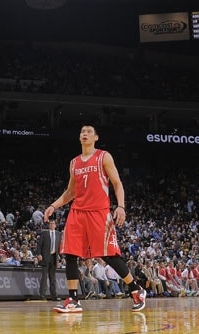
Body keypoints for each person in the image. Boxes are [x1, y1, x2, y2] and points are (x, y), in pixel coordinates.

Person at [43, 125, 147, 314]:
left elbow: (117, 183)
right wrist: (53, 206)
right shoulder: (74, 163)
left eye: (89, 132)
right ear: (79, 137)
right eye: (82, 131)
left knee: (109, 255)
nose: (85, 133)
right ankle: (73, 299)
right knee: (70, 253)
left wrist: (121, 206)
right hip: (77, 212)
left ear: (96, 137)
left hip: (99, 212)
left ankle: (135, 289)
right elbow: (70, 192)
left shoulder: (103, 156)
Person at [37, 217, 61, 300]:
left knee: (53, 277)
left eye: (53, 223)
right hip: (45, 257)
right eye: (50, 224)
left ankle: (54, 295)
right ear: (48, 225)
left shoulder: (58, 234)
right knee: (44, 277)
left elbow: (59, 247)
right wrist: (39, 254)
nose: (51, 225)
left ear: (55, 225)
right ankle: (42, 295)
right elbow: (39, 245)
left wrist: (60, 258)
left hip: (54, 257)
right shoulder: (44, 233)